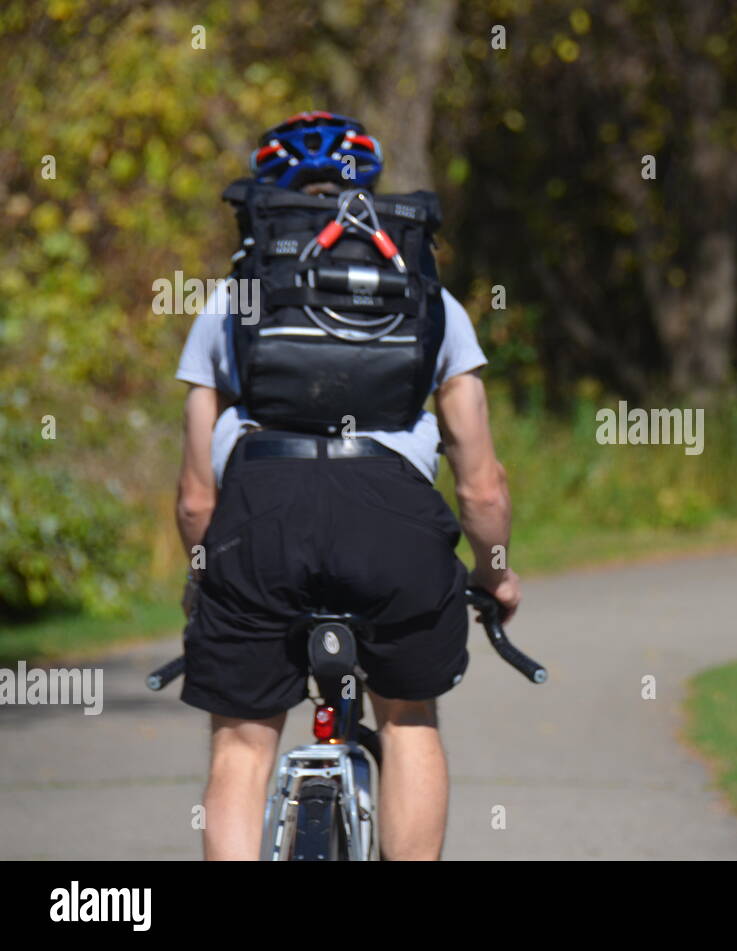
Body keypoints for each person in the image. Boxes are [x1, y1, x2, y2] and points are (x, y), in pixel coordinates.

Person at [174, 112, 519, 860]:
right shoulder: (432, 301)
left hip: (260, 520)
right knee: (407, 721)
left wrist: (205, 579)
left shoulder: (230, 302)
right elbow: (482, 484)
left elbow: (198, 496)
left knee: (240, 747)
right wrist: (496, 575)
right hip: (393, 523)